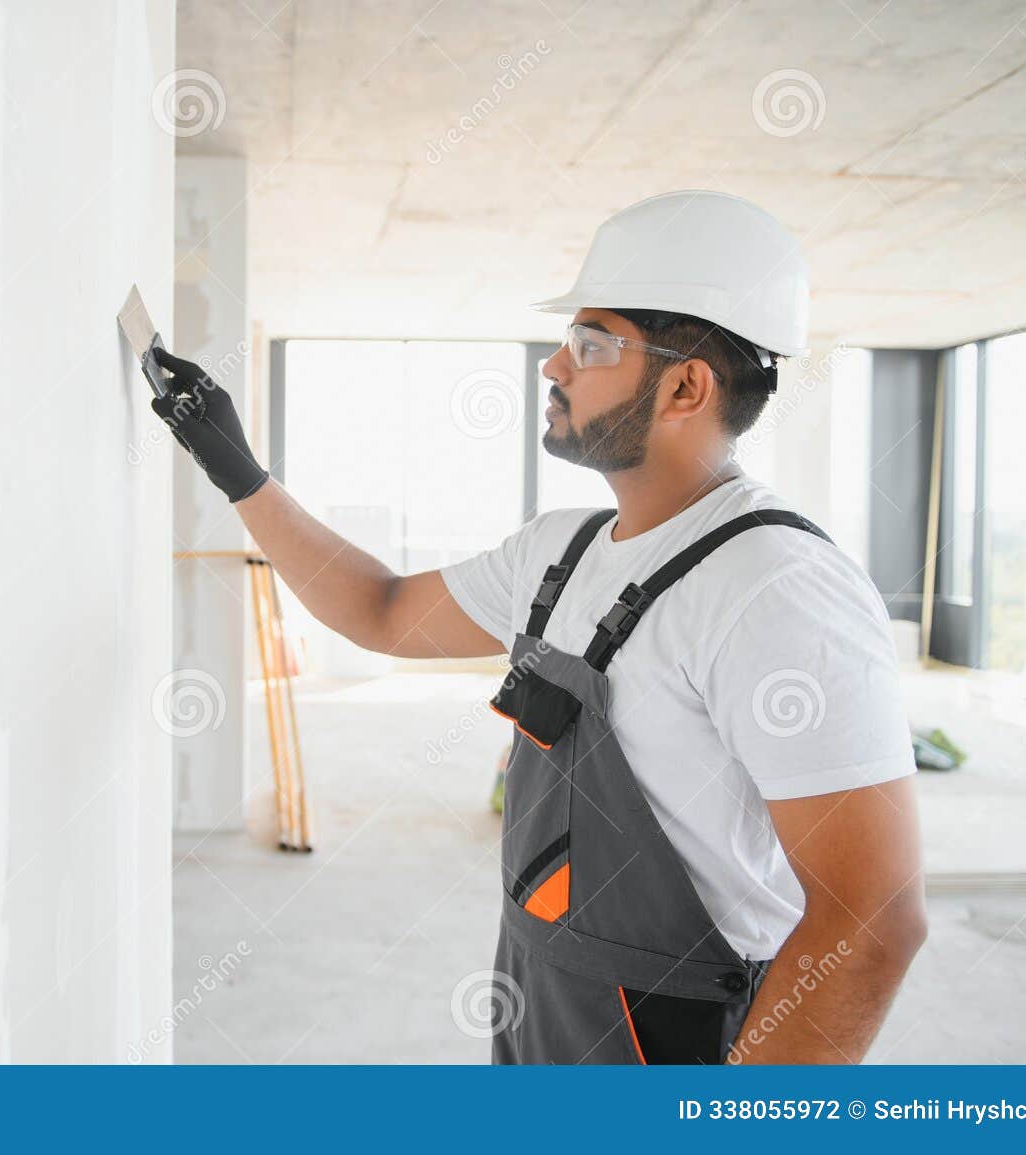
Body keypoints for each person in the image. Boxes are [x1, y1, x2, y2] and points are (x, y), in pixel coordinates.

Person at [149, 190, 926, 1065]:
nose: (553, 365)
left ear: (685, 384)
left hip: (675, 1041)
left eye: (591, 343)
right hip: (539, 1002)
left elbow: (871, 918)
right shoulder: (560, 553)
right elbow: (379, 609)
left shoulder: (775, 587)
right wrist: (232, 464)